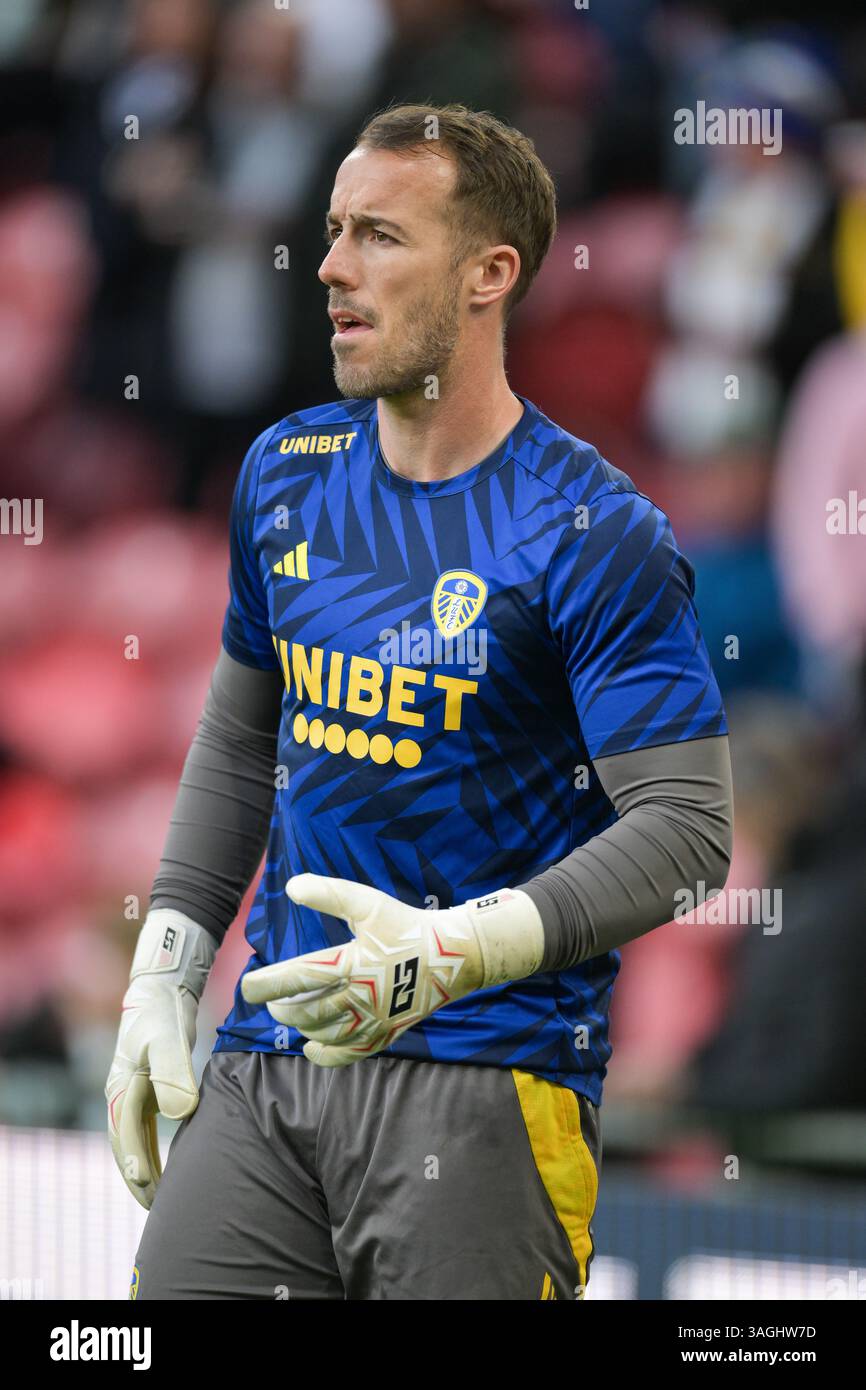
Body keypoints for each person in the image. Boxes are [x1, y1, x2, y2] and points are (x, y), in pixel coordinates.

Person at [106, 103, 733, 1301]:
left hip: (489, 1078)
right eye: (335, 231)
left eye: (381, 236)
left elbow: (688, 836)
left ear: (489, 274)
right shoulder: (283, 474)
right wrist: (167, 972)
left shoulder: (592, 531)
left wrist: (452, 951)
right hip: (271, 1060)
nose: (332, 266)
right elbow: (244, 741)